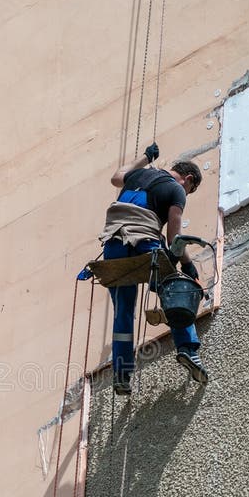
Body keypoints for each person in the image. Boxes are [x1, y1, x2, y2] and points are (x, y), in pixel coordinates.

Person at [98, 142, 208, 395]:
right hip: (143, 243)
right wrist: (188, 266)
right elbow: (174, 237)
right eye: (190, 190)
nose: (187, 194)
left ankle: (122, 374)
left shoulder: (138, 175)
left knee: (123, 310)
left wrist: (145, 157)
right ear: (188, 179)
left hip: (113, 246)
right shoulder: (175, 190)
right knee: (174, 289)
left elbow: (116, 178)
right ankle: (188, 350)